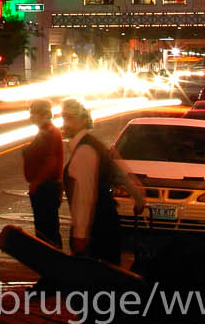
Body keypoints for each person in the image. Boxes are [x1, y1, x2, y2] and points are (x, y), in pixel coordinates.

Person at [62, 103, 146, 263]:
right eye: (64, 117)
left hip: (95, 228)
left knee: (91, 279)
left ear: (83, 120)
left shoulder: (84, 150)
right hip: (105, 224)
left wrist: (80, 233)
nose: (66, 123)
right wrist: (138, 196)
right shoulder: (94, 145)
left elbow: (84, 196)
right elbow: (119, 172)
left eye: (70, 118)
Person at [21, 99, 65, 246]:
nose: (30, 116)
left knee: (46, 231)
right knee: (46, 229)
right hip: (47, 187)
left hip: (46, 188)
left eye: (32, 112)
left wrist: (36, 182)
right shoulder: (47, 132)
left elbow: (50, 161)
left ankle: (52, 262)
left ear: (41, 114)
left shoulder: (49, 133)